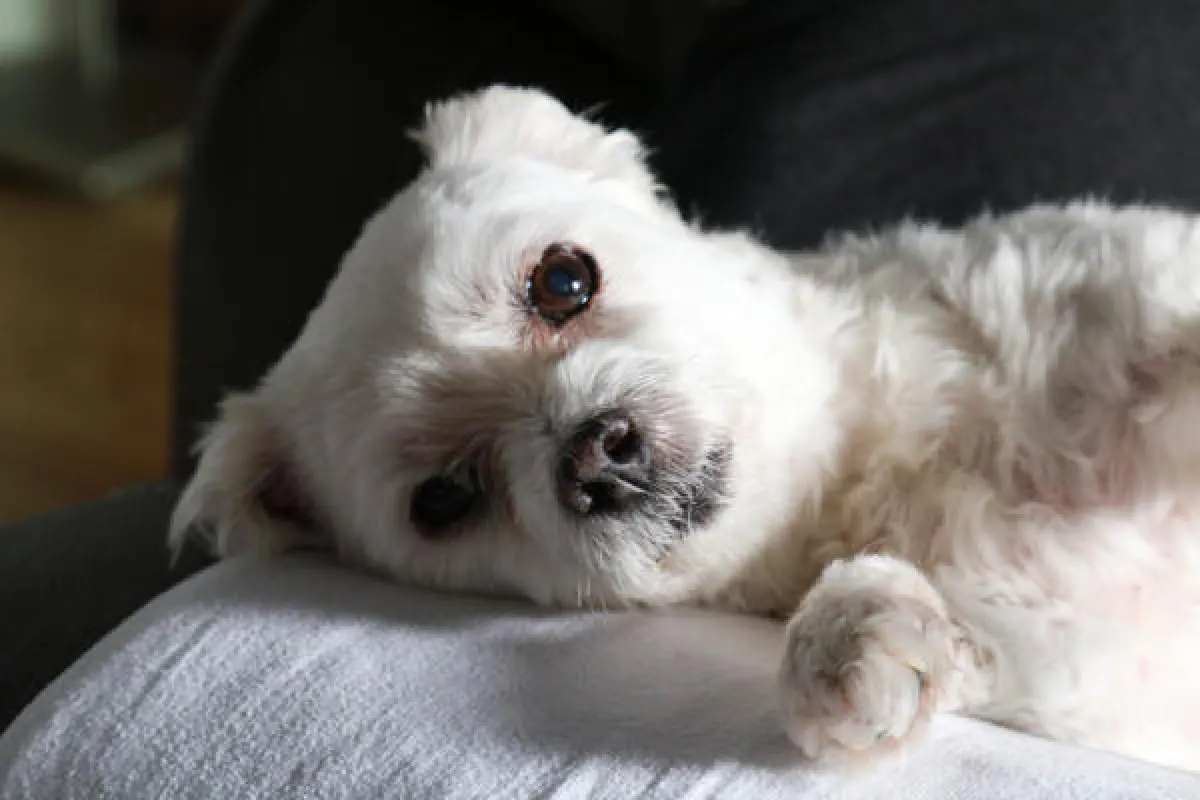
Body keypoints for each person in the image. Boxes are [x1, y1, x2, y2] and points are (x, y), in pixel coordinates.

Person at [5, 0, 1200, 732]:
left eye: (562, 288)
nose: (584, 452)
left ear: (598, 164)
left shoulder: (1045, 308)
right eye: (449, 495)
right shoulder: (851, 646)